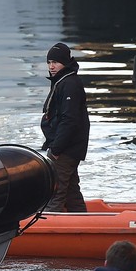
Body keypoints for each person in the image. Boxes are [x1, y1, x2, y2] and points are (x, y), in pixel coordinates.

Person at [40, 42, 89, 212]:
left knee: (56, 192)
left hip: (65, 148)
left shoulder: (69, 84)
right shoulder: (62, 81)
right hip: (67, 147)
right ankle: (84, 226)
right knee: (71, 193)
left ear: (65, 63)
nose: (51, 66)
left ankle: (50, 229)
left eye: (55, 62)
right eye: (49, 62)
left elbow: (69, 120)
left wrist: (56, 149)